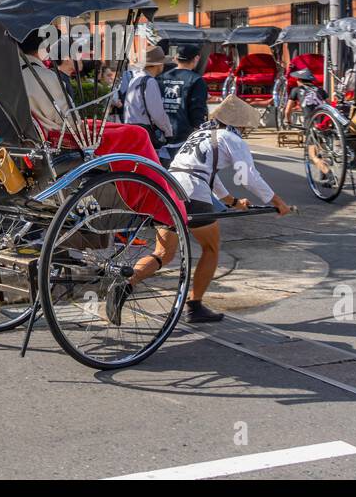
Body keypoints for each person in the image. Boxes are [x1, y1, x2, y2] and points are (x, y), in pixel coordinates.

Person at [108, 95, 292, 326]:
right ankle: (195, 307)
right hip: (192, 192)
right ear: (237, 124)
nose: (245, 131)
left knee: (163, 253)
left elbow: (207, 175)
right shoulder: (231, 138)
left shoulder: (199, 135)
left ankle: (125, 285)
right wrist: (277, 201)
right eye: (245, 126)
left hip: (167, 189)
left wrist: (233, 202)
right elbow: (247, 176)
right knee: (211, 247)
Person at [158, 44, 208, 159]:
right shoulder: (196, 80)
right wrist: (199, 130)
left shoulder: (161, 77)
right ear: (196, 58)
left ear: (176, 58)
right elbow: (197, 108)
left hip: (161, 132)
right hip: (184, 133)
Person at [121, 45, 173, 148]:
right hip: (144, 131)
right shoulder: (149, 81)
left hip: (130, 129)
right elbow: (157, 114)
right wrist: (168, 131)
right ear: (158, 64)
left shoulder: (134, 79)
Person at [18, 30, 67, 136]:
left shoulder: (10, 73)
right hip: (50, 142)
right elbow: (68, 119)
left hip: (20, 139)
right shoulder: (48, 76)